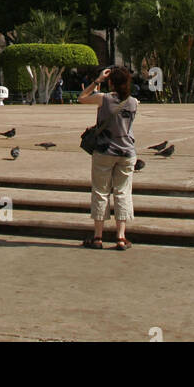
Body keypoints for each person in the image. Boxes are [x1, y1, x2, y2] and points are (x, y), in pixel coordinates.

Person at [78, 66, 138, 251]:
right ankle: (121, 237)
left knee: (100, 192)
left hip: (104, 152)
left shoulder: (103, 99)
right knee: (122, 192)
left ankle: (98, 237)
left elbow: (81, 98)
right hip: (127, 152)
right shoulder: (134, 102)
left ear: (111, 81)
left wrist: (97, 80)